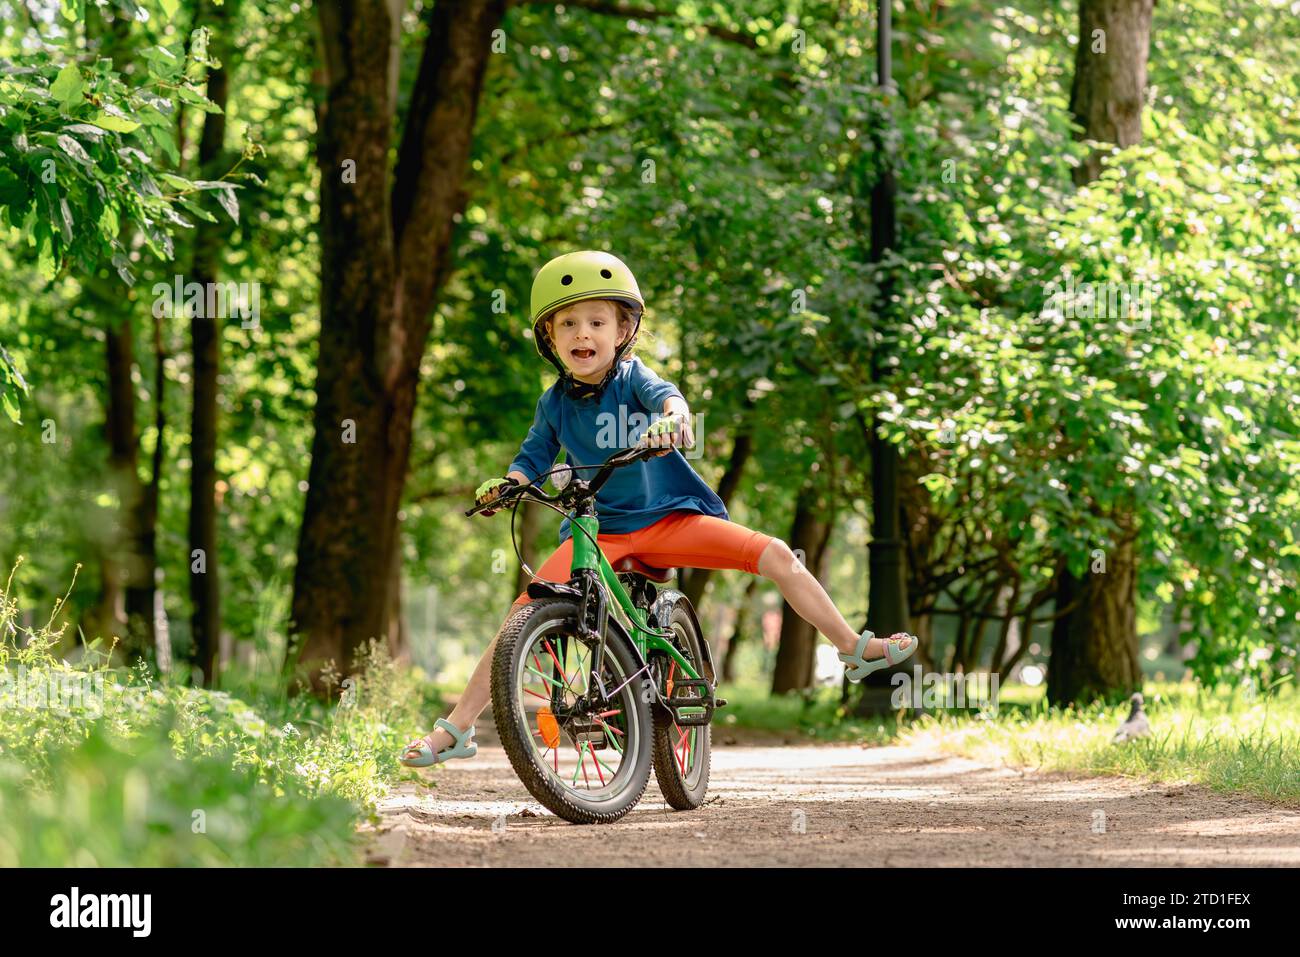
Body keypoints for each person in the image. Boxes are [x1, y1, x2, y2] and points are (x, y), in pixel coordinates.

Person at [399, 250, 917, 767]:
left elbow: (669, 398)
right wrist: (506, 486)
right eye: (568, 324)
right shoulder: (553, 403)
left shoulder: (632, 379)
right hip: (597, 532)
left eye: (597, 322)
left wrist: (675, 419)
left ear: (623, 330)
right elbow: (532, 458)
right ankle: (455, 730)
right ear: (550, 339)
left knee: (778, 554)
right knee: (521, 618)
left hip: (669, 518)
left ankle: (851, 645)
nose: (583, 334)